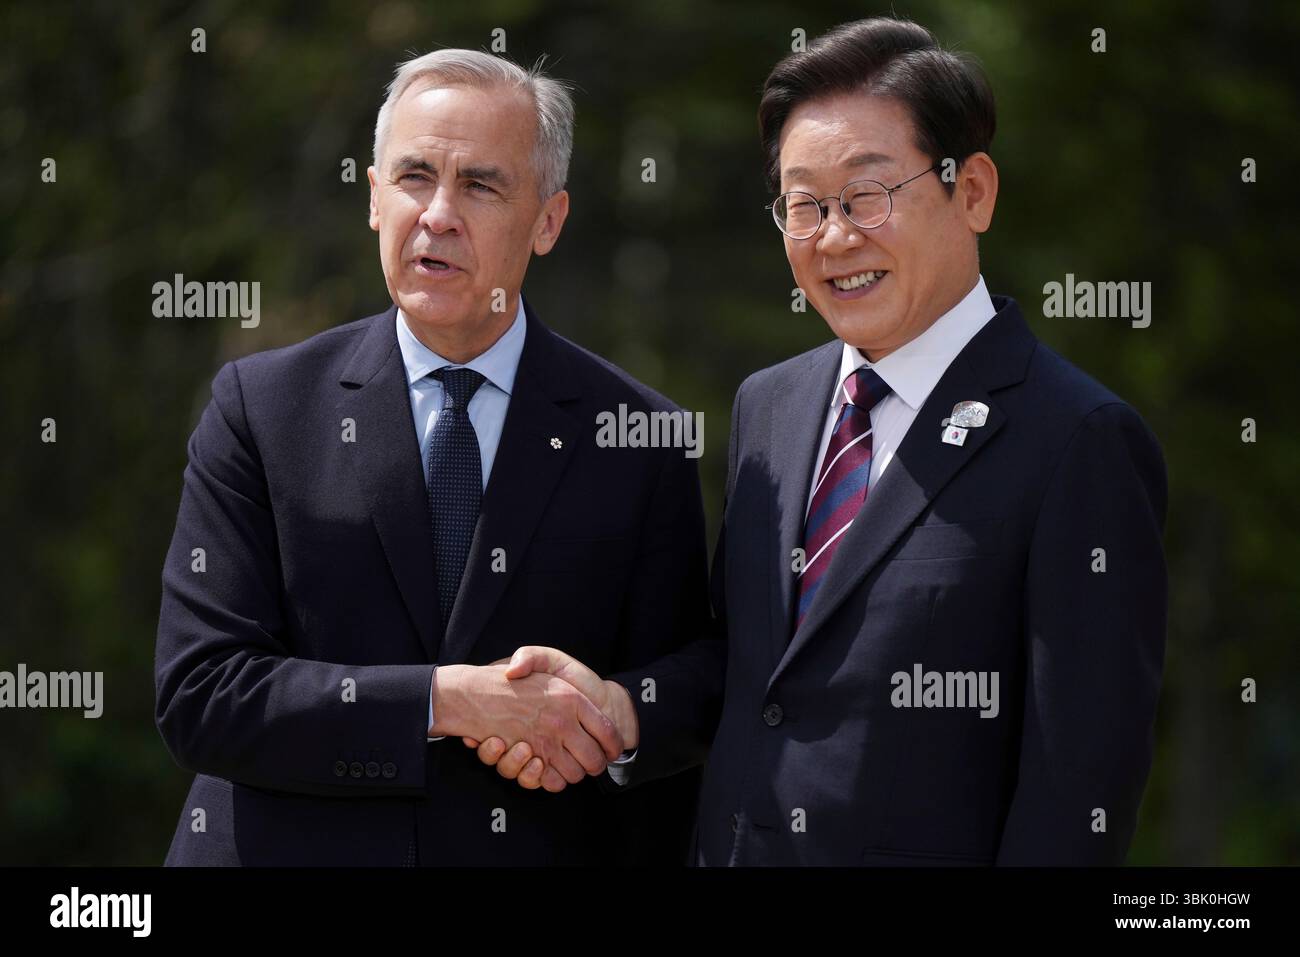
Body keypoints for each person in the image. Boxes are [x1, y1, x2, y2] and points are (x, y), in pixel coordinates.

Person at [479, 17, 1168, 866]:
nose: (836, 236)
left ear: (974, 191)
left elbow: (1078, 792)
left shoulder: (1078, 441)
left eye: (868, 194)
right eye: (803, 205)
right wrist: (623, 710)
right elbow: (753, 668)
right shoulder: (773, 404)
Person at [155, 49, 707, 865]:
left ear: (548, 221)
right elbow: (200, 694)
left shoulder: (638, 436)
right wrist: (449, 701)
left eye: (481, 185)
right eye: (415, 176)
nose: (439, 214)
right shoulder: (260, 409)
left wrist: (611, 715)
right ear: (375, 199)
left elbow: (687, 686)